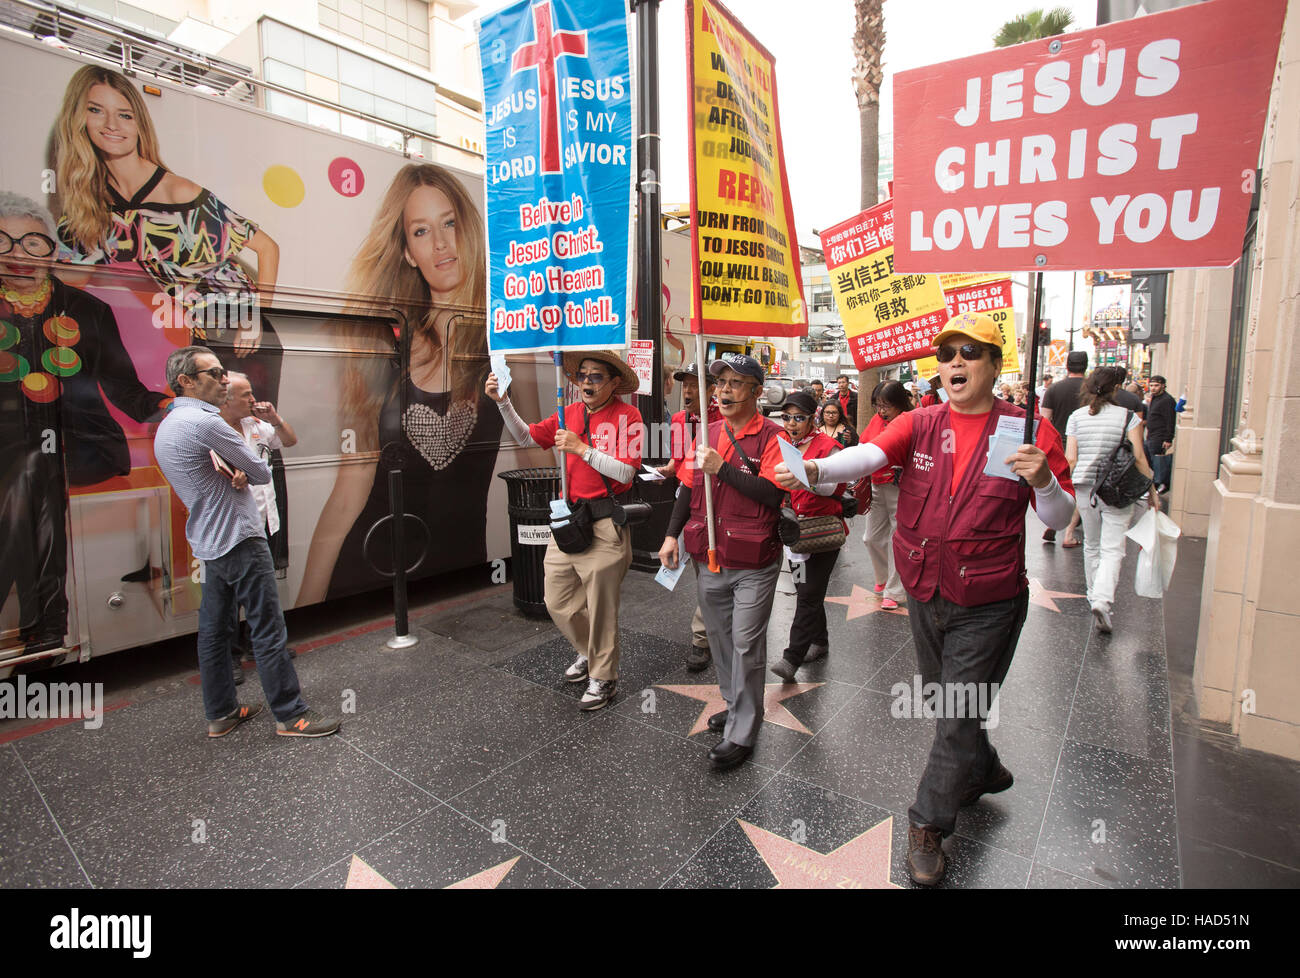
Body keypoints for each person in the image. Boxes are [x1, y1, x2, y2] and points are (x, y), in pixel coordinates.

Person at [777, 312, 1076, 886]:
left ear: (995, 363)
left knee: (958, 707)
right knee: (952, 705)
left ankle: (927, 824)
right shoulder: (919, 421)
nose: (955, 362)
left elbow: (1060, 517)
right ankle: (980, 768)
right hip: (923, 588)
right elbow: (866, 456)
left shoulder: (1030, 432)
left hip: (989, 596)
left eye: (970, 352)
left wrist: (1045, 482)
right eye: (947, 353)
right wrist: (814, 468)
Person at [297, 164, 504, 605]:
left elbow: (539, 463)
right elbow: (348, 489)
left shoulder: (506, 340)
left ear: (469, 230)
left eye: (449, 223)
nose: (442, 244)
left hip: (460, 582)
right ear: (408, 252)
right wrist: (304, 608)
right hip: (366, 576)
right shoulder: (383, 347)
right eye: (422, 232)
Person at [54, 65, 282, 407]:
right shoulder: (92, 202)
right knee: (208, 440)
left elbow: (267, 247)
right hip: (193, 339)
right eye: (96, 110)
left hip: (236, 329)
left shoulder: (179, 193)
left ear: (139, 124)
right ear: (78, 118)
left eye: (125, 115)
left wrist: (254, 321)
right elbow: (73, 279)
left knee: (248, 436)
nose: (112, 125)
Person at [0, 192, 169, 653]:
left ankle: (45, 629)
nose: (18, 253)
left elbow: (124, 388)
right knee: (30, 474)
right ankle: (48, 629)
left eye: (32, 242)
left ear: (52, 252)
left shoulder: (89, 309)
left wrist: (174, 406)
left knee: (35, 468)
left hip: (81, 446)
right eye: (5, 241)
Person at [154, 346, 339, 738]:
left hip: (207, 540)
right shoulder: (207, 423)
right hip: (240, 537)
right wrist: (241, 464)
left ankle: (221, 713)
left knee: (215, 632)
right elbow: (258, 471)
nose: (224, 379)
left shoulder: (169, 424)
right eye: (214, 373)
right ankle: (291, 715)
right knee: (267, 629)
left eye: (223, 373)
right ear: (186, 382)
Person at [487, 351, 643, 711]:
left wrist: (581, 449)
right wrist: (503, 402)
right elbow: (527, 438)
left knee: (601, 609)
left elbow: (626, 473)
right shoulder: (568, 413)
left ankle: (604, 676)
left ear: (614, 382)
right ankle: (591, 654)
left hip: (605, 525)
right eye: (583, 376)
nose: (587, 382)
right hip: (568, 522)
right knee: (556, 602)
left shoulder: (628, 416)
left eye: (597, 377)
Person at [659, 353, 784, 770]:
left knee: (747, 643)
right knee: (721, 639)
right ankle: (735, 707)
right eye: (721, 383)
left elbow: (772, 494)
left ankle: (744, 728)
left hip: (754, 561)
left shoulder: (773, 437)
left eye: (735, 383)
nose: (724, 390)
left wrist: (723, 469)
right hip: (709, 556)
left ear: (756, 392)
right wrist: (670, 534)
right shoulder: (707, 433)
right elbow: (686, 489)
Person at [1064, 367, 1159, 634]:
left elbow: (1071, 458)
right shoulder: (1127, 417)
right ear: (1115, 389)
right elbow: (1139, 457)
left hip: (1085, 486)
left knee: (1092, 546)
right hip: (1117, 488)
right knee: (1113, 548)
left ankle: (1094, 596)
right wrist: (1150, 491)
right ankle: (1103, 601)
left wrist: (1065, 488)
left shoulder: (1076, 417)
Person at [219, 371, 297, 684]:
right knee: (230, 594)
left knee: (262, 590)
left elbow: (290, 440)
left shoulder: (257, 425)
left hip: (264, 519)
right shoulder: (214, 430)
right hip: (233, 524)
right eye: (246, 395)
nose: (253, 400)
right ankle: (231, 655)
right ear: (226, 399)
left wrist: (276, 418)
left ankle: (256, 645)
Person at [770, 390, 847, 681]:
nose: (791, 423)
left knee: (809, 594)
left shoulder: (830, 447)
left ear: (812, 418)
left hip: (822, 532)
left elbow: (832, 487)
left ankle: (792, 656)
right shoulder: (783, 444)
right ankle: (821, 640)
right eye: (786, 417)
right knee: (807, 591)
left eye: (798, 417)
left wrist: (803, 474)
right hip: (793, 533)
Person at [659, 363, 721, 671]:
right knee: (704, 575)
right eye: (684, 385)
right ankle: (706, 637)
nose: (687, 391)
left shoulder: (724, 421)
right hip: (686, 504)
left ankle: (702, 639)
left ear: (712, 389)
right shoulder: (681, 420)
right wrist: (668, 469)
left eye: (695, 385)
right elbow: (679, 459)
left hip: (717, 508)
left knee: (713, 576)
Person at [858, 380, 912, 610]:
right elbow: (864, 445)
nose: (881, 411)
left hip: (901, 487)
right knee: (870, 537)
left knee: (897, 539)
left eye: (886, 406)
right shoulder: (877, 420)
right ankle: (883, 579)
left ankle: (895, 590)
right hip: (877, 484)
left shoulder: (911, 420)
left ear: (900, 404)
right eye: (878, 405)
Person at [1040, 350, 1088, 545]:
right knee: (1077, 487)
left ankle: (1053, 522)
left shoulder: (1054, 389)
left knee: (1057, 485)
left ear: (1067, 365)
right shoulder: (1090, 390)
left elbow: (1044, 420)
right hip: (1085, 445)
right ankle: (1067, 531)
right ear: (1085, 366)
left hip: (1059, 446)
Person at [1145, 375, 1177, 492]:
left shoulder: (1167, 400)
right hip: (1151, 434)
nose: (1153, 388)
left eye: (1156, 385)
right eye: (1151, 385)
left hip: (1159, 436)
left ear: (1163, 386)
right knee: (1151, 460)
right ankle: (1157, 482)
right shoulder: (1154, 398)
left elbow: (1170, 420)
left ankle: (1160, 483)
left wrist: (1168, 439)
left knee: (1158, 461)